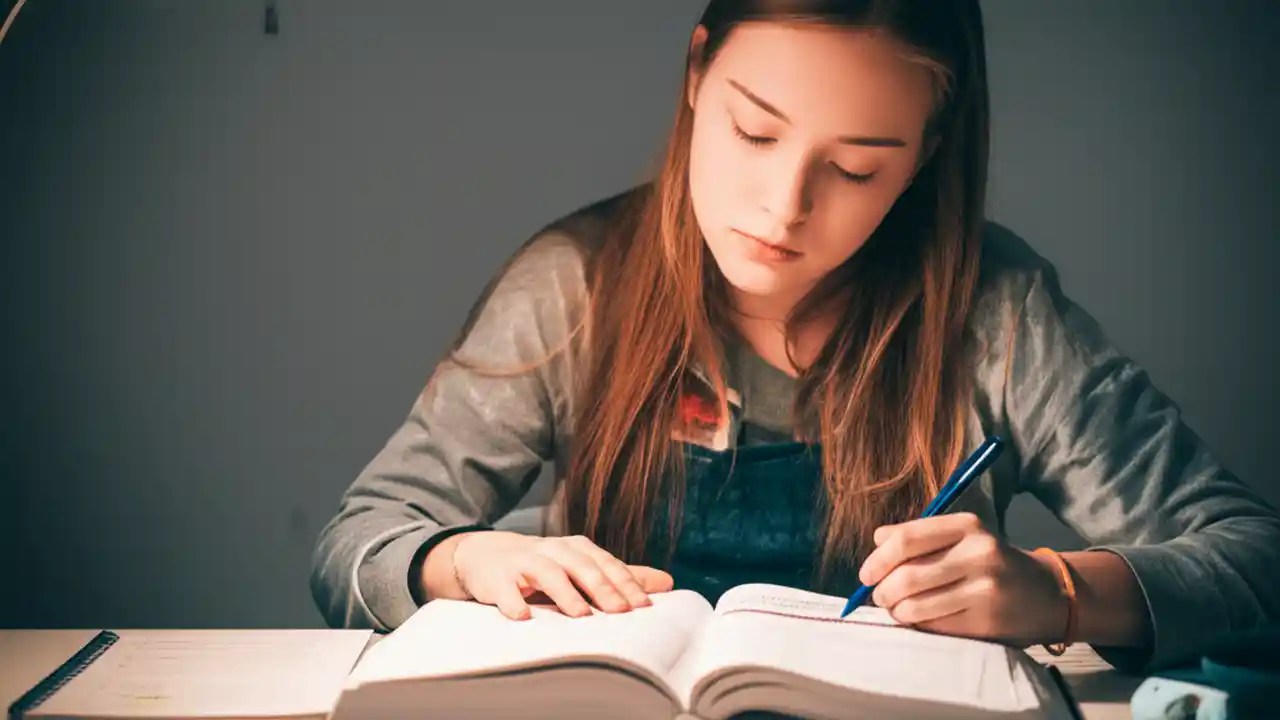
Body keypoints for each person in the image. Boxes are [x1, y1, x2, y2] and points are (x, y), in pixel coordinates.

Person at [310, 0, 1279, 673]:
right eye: (753, 132)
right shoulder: (577, 286)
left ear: (925, 155)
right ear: (696, 74)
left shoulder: (995, 315)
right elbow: (355, 544)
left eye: (855, 169)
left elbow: (1254, 561)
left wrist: (1061, 595)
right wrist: (461, 561)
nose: (781, 208)